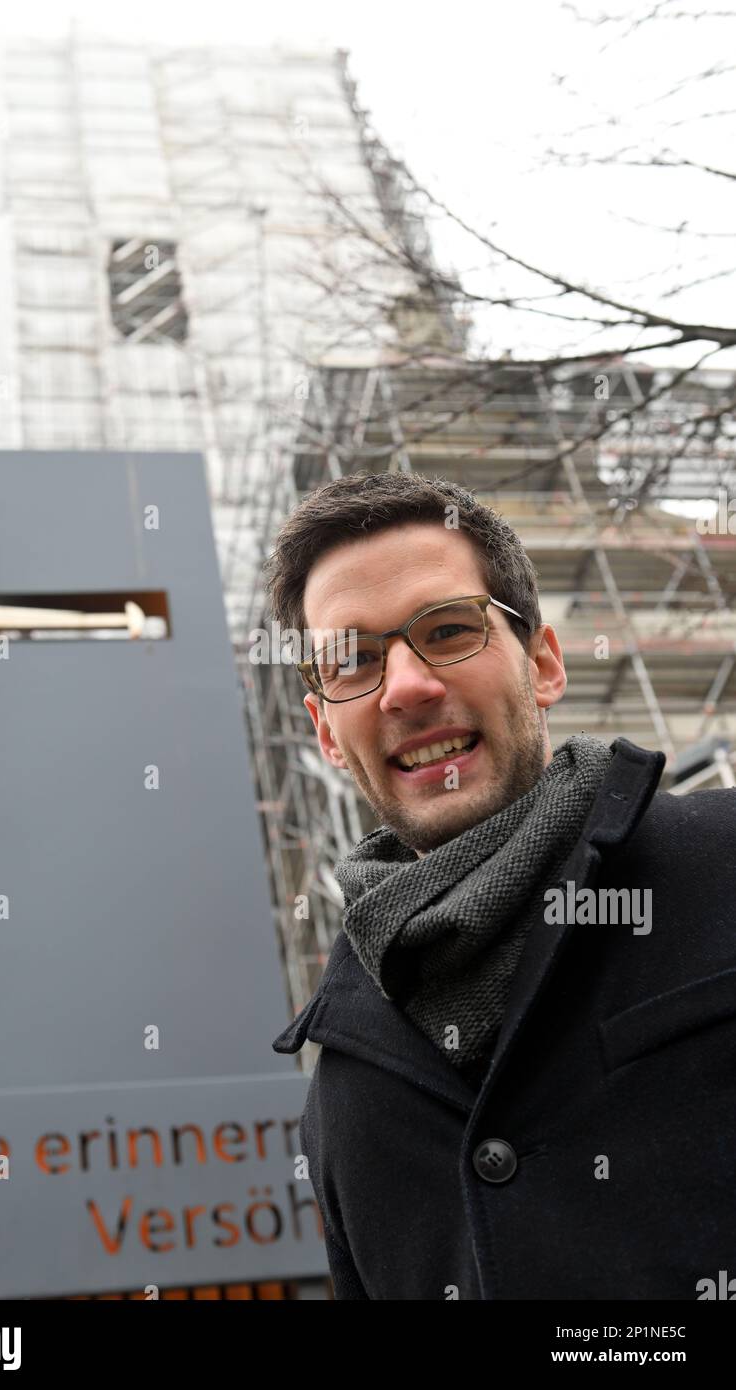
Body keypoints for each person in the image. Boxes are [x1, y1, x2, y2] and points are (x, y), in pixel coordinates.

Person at [267, 470, 736, 1301]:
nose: (407, 687)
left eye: (449, 630)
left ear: (545, 664)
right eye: (352, 660)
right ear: (327, 736)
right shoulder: (341, 1091)